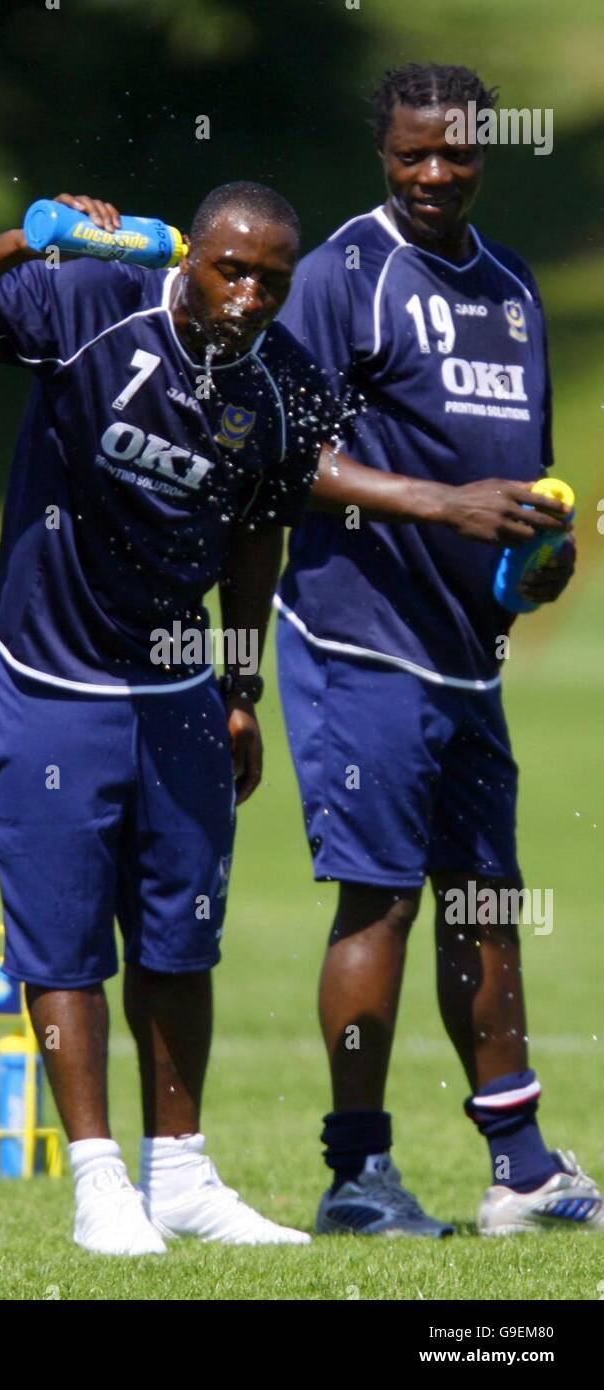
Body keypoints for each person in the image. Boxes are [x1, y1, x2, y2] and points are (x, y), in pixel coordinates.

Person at [0, 181, 340, 1255]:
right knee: (65, 940)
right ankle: (98, 1186)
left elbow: (252, 544)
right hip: (48, 678)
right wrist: (21, 235)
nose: (248, 295)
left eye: (271, 281)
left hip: (178, 692)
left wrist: (240, 690)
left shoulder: (284, 384)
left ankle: (178, 1173)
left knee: (181, 940)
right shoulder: (89, 300)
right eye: (231, 269)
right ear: (189, 259)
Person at [276, 62, 602, 1236]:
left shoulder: (514, 286)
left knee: (484, 902)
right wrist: (442, 506)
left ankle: (520, 1170)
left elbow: (521, 475)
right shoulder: (342, 276)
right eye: (411, 153)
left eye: (453, 154)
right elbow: (283, 458)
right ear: (384, 154)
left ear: (482, 153)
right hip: (359, 641)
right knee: (380, 903)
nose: (432, 174)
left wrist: (537, 553)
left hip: (467, 657)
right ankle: (357, 1176)